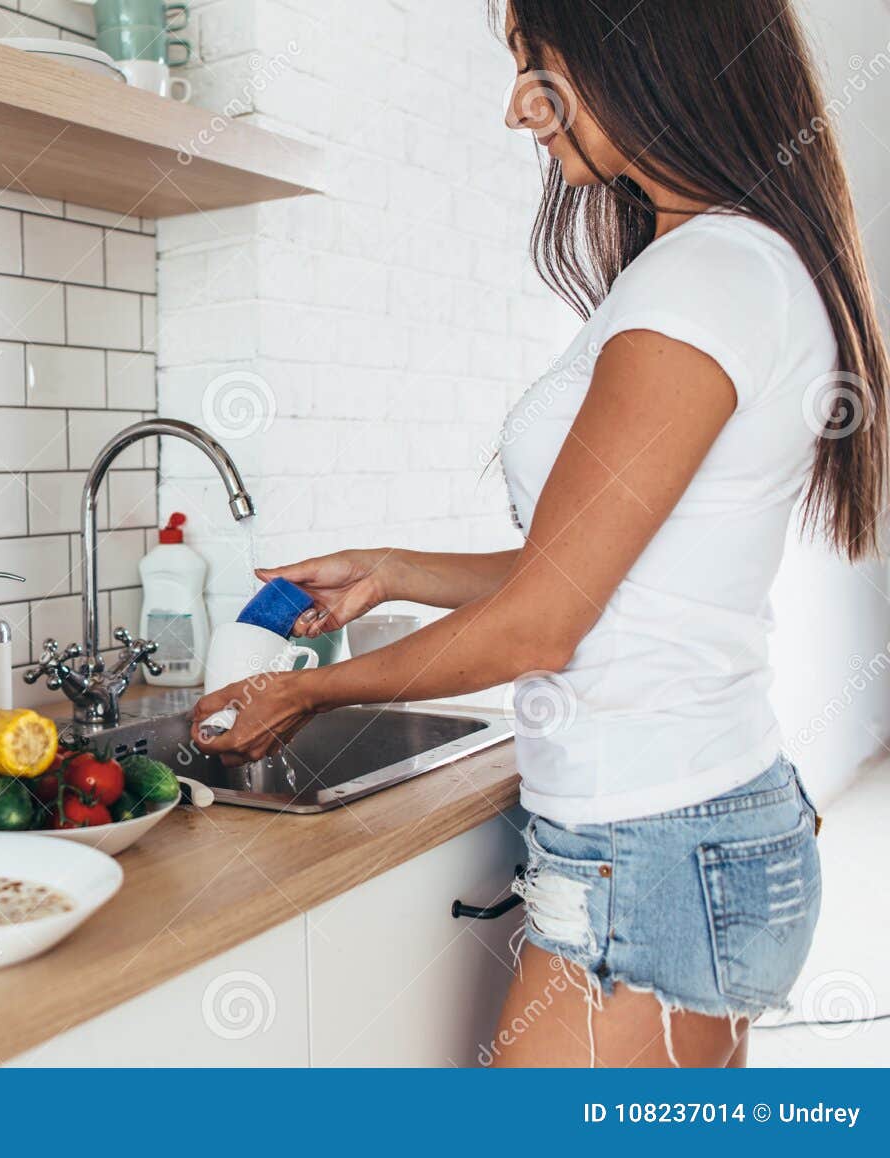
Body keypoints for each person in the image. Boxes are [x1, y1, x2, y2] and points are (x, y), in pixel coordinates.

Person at [193, 0, 887, 1067]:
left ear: (652, 54)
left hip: (656, 854)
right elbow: (593, 571)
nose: (519, 108)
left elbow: (542, 625)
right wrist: (393, 573)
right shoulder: (719, 265)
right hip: (681, 835)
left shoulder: (706, 277)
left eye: (542, 69)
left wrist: (304, 690)